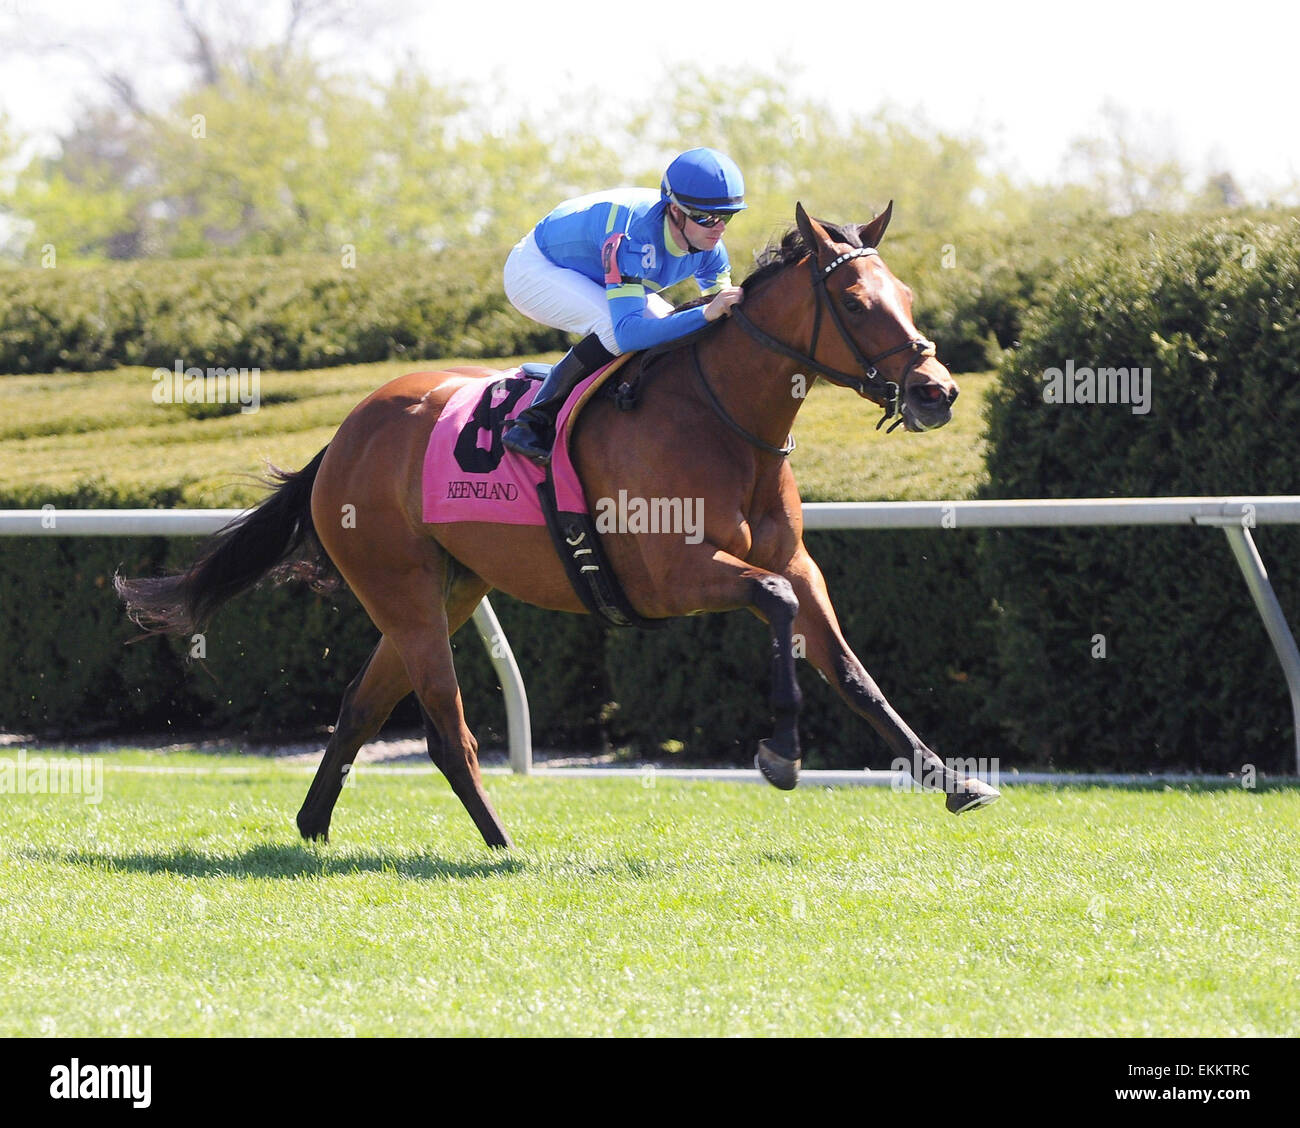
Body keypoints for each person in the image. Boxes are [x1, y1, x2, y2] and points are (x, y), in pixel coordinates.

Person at [501, 147, 748, 464]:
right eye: (705, 217)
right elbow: (629, 332)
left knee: (669, 330)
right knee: (617, 330)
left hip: (595, 269)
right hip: (536, 268)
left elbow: (722, 321)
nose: (718, 228)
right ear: (674, 210)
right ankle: (533, 420)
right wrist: (704, 312)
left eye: (727, 217)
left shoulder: (712, 248)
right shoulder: (632, 236)